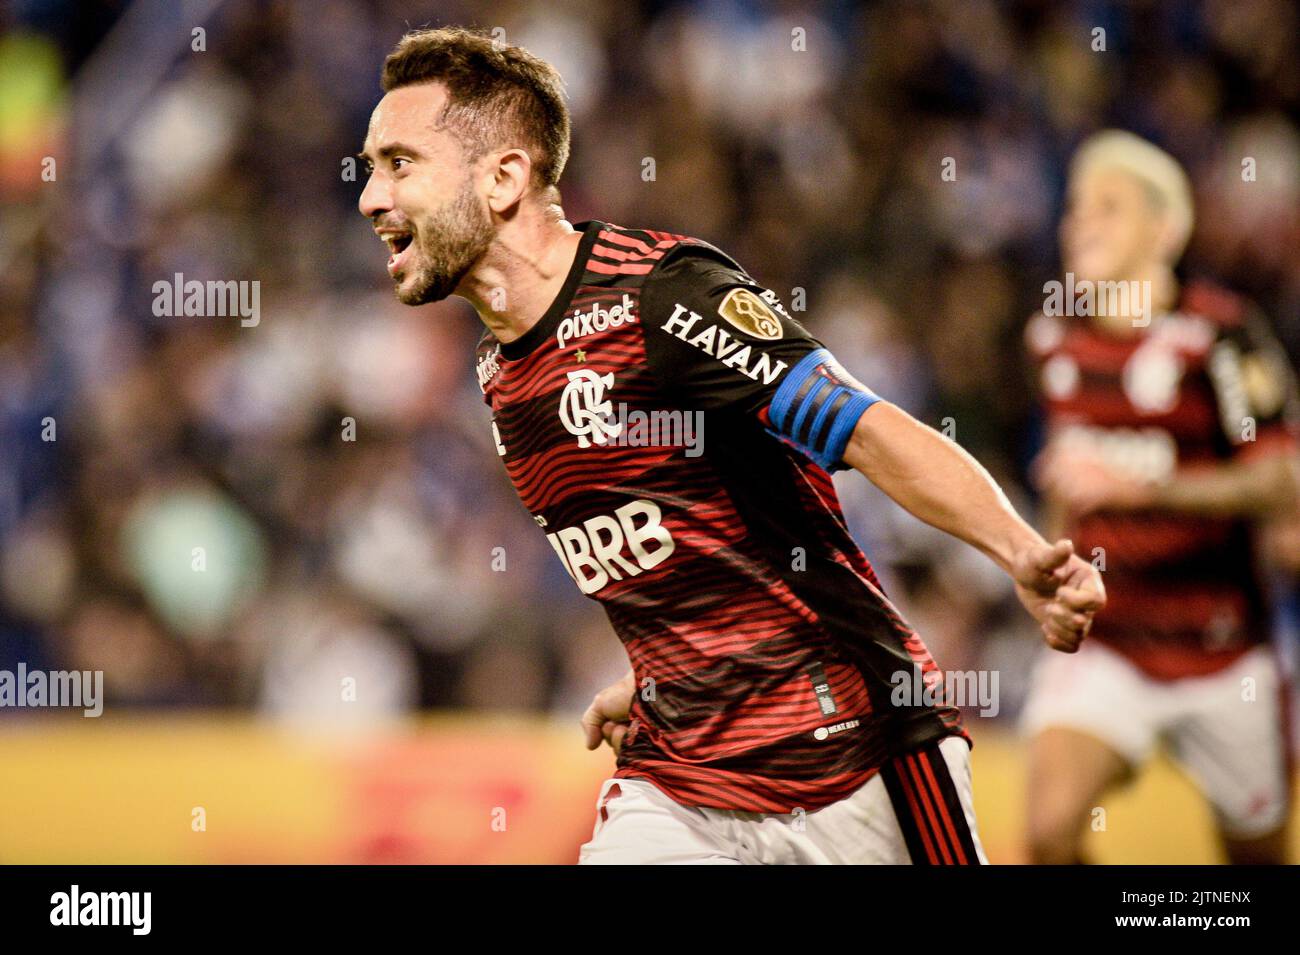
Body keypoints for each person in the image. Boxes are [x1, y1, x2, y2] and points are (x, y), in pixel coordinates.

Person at [358, 26, 1104, 864]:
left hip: (855, 750)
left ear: (503, 177)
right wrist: (662, 677)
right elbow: (682, 551)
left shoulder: (660, 295)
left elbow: (864, 428)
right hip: (680, 778)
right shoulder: (500, 376)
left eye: (399, 162)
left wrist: (1023, 553)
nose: (369, 197)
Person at [1022, 130, 1298, 864]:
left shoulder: (1221, 337)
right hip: (1108, 641)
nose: (1080, 222)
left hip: (1222, 649)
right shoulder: (1054, 338)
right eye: (1076, 206)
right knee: (1047, 833)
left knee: (1256, 861)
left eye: (1108, 207)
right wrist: (1051, 575)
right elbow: (1066, 484)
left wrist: (1145, 489)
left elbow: (1277, 477)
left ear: (1165, 229)